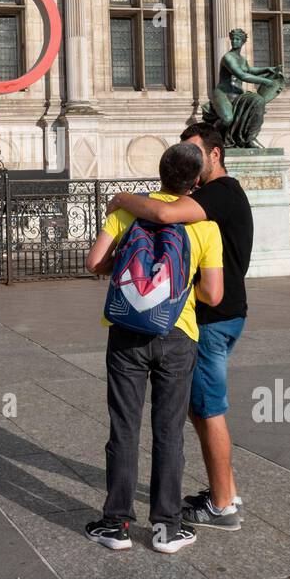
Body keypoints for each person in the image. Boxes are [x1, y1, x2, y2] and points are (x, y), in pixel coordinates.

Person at [107, 123, 253, 532]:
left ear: (215, 154)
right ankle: (222, 491)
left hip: (211, 318)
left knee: (207, 410)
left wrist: (121, 199)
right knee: (198, 406)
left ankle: (223, 505)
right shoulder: (213, 195)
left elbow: (166, 212)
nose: (188, 159)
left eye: (194, 152)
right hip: (219, 314)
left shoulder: (220, 193)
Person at [84, 143, 224, 555]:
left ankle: (115, 524)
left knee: (124, 428)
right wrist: (180, 288)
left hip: (127, 331)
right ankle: (166, 526)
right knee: (169, 431)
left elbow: (94, 262)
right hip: (179, 335)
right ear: (195, 181)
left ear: (159, 174)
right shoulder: (205, 226)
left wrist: (118, 264)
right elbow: (213, 294)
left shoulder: (128, 211)